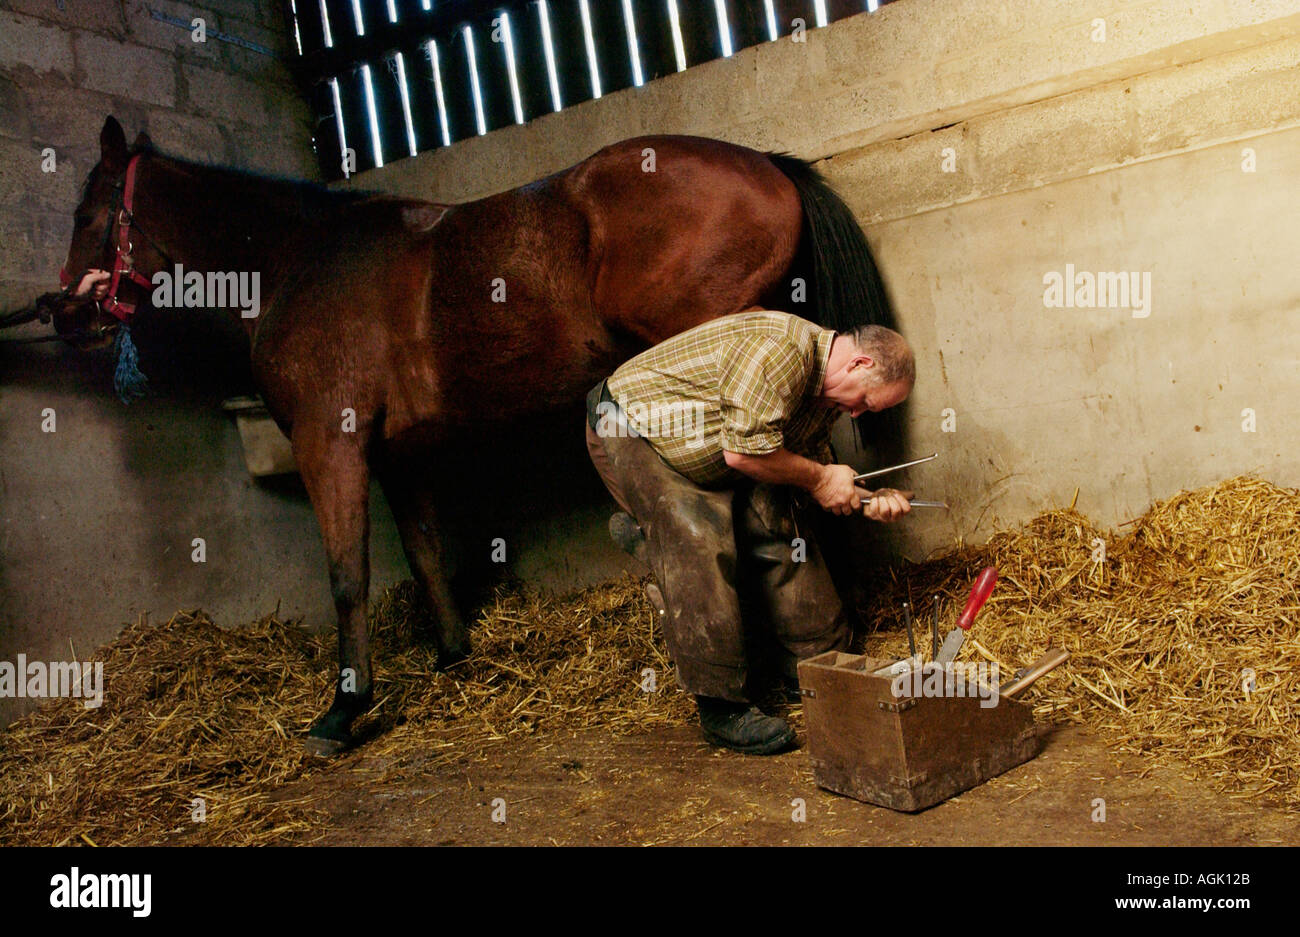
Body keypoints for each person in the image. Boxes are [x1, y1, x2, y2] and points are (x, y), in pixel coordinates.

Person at [585, 309, 915, 754]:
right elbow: (745, 455)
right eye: (865, 402)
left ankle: (814, 663)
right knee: (698, 538)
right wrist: (820, 479)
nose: (856, 412)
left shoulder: (824, 398)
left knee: (778, 518)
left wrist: (870, 499)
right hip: (636, 428)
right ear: (860, 365)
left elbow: (809, 471)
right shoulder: (781, 351)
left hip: (716, 452)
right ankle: (722, 705)